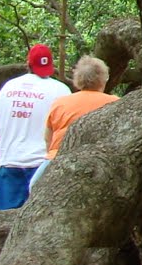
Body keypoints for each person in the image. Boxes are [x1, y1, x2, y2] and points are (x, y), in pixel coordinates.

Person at [0, 43, 70, 210]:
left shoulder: (9, 87)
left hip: (11, 162)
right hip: (44, 164)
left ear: (28, 64)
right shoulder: (61, 90)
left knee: (3, 221)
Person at [29, 56, 118, 189]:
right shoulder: (115, 103)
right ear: (103, 79)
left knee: (33, 187)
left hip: (57, 159)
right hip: (98, 164)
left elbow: (48, 139)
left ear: (77, 79)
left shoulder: (60, 103)